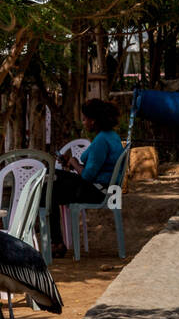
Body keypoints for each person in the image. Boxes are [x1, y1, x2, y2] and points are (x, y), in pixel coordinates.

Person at [49, 98, 125, 258]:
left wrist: (74, 163)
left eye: (84, 119)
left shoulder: (101, 141)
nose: (83, 123)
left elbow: (88, 176)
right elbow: (93, 169)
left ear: (93, 121)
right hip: (102, 188)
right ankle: (56, 242)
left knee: (50, 184)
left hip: (98, 191)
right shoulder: (112, 136)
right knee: (52, 187)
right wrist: (71, 163)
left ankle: (55, 242)